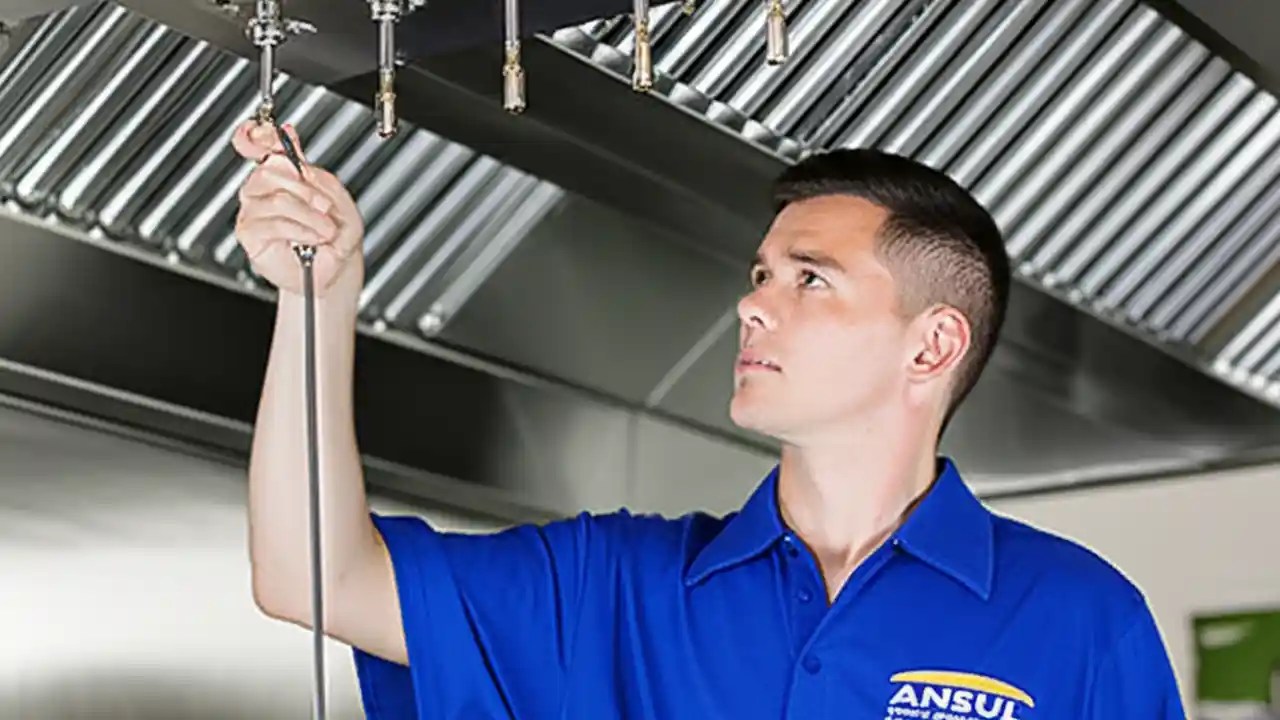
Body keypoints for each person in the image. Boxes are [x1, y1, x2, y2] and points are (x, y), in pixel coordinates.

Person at [232, 120, 1187, 719]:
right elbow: (314, 576)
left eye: (810, 279)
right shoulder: (612, 586)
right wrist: (319, 300)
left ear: (932, 346)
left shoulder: (1080, 619)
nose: (753, 304)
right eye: (761, 274)